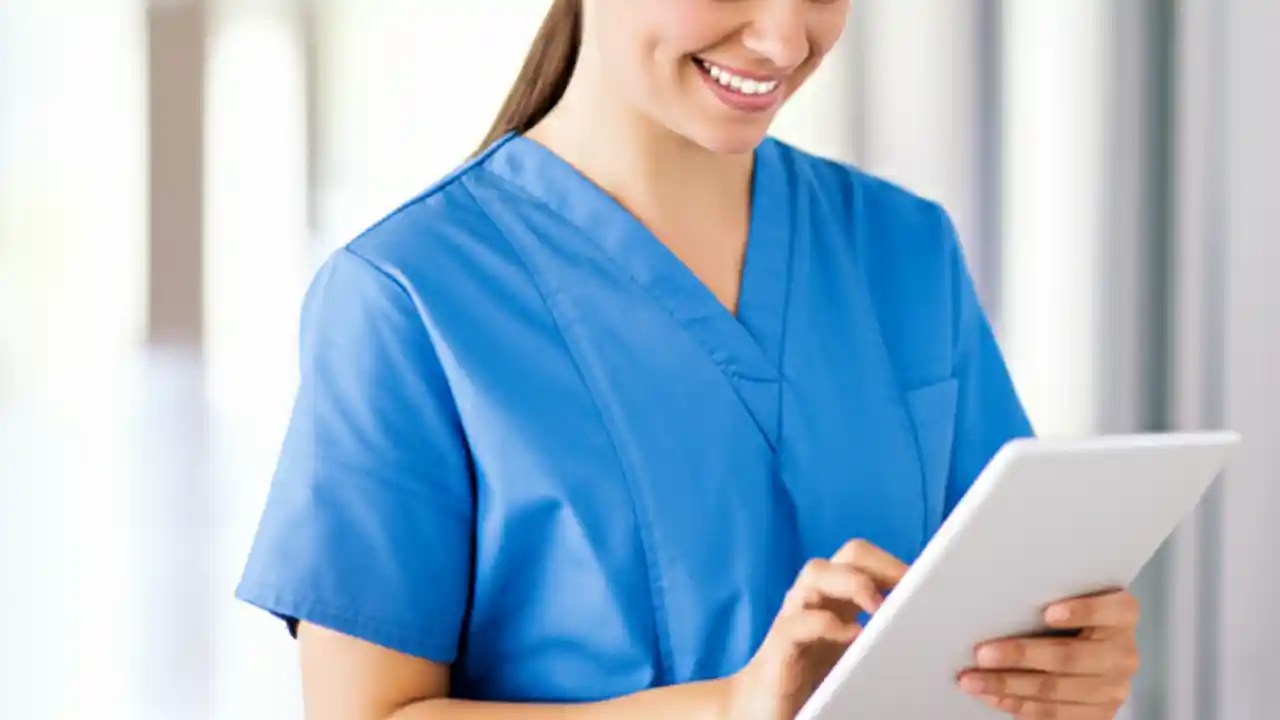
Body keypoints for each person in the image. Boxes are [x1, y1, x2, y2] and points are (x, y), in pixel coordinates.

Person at [236, 1, 1141, 718]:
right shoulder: (407, 296)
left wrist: (1057, 673)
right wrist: (729, 709)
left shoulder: (903, 249)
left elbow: (989, 622)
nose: (786, 36)